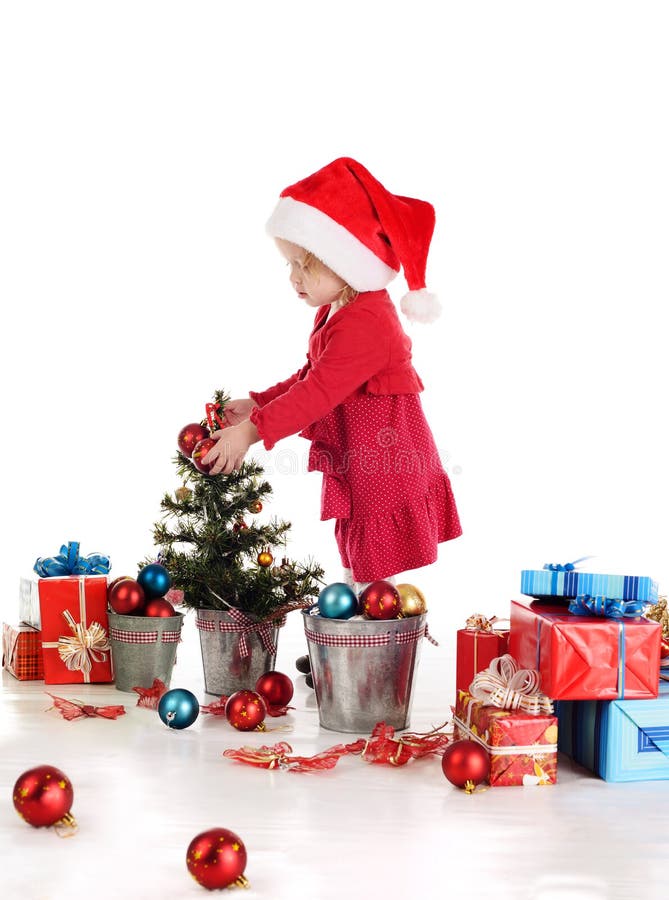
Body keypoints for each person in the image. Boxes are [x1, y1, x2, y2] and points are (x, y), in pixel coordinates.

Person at [204, 157, 461, 594]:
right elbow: (311, 375)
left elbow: (319, 392)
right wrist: (260, 403)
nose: (293, 278)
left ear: (346, 261)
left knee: (373, 559)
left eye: (304, 265)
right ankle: (360, 628)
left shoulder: (367, 321)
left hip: (383, 457)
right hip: (358, 454)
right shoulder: (340, 306)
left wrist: (250, 433)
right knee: (359, 553)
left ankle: (373, 637)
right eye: (289, 265)